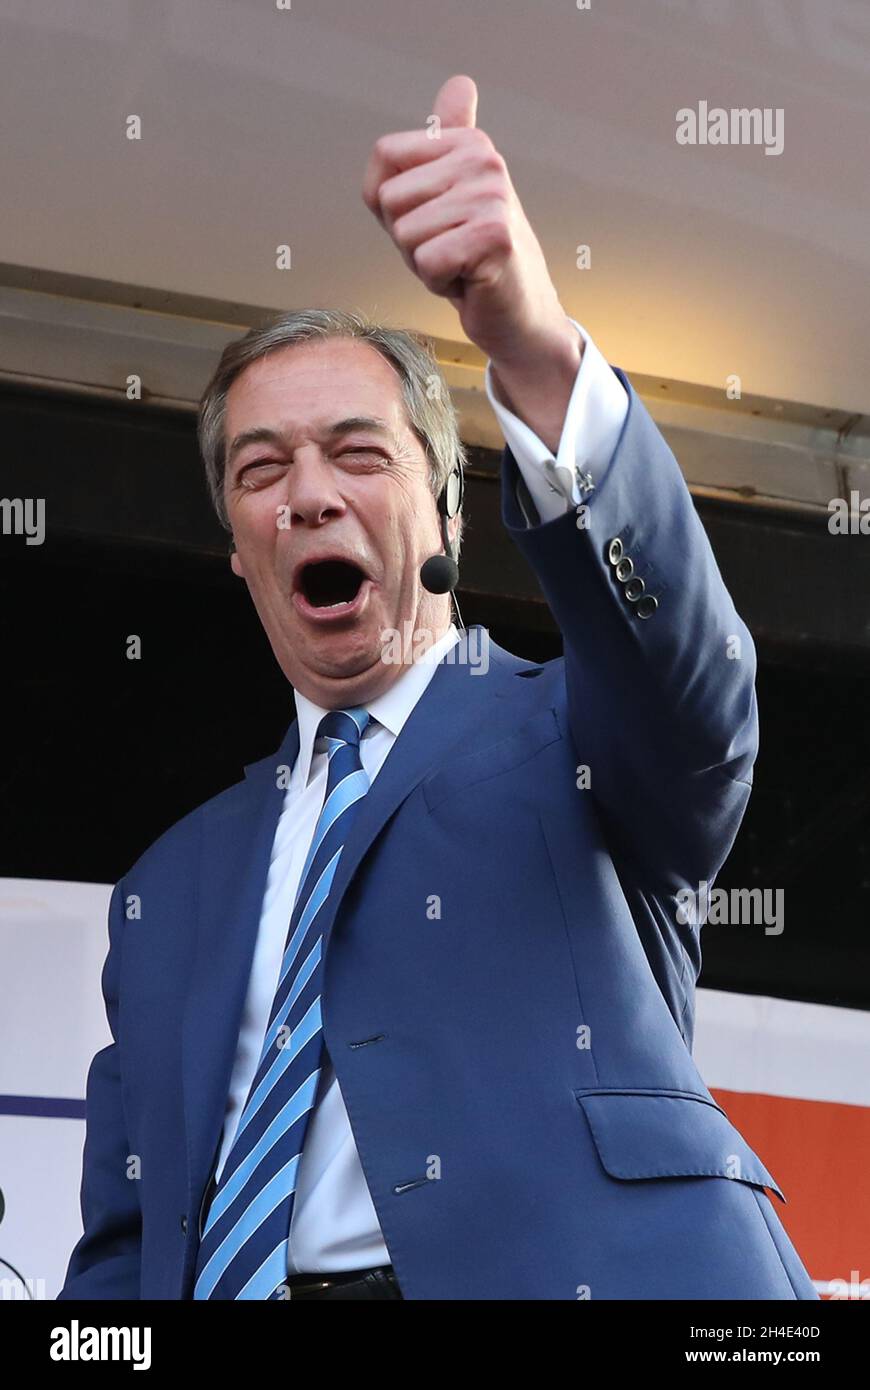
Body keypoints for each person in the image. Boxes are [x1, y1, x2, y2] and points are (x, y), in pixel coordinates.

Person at [59, 75, 817, 1300]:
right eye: (263, 470)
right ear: (239, 549)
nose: (308, 491)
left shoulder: (574, 729)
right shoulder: (166, 889)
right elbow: (127, 1252)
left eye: (358, 452)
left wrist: (529, 343)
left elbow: (695, 687)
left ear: (447, 507)